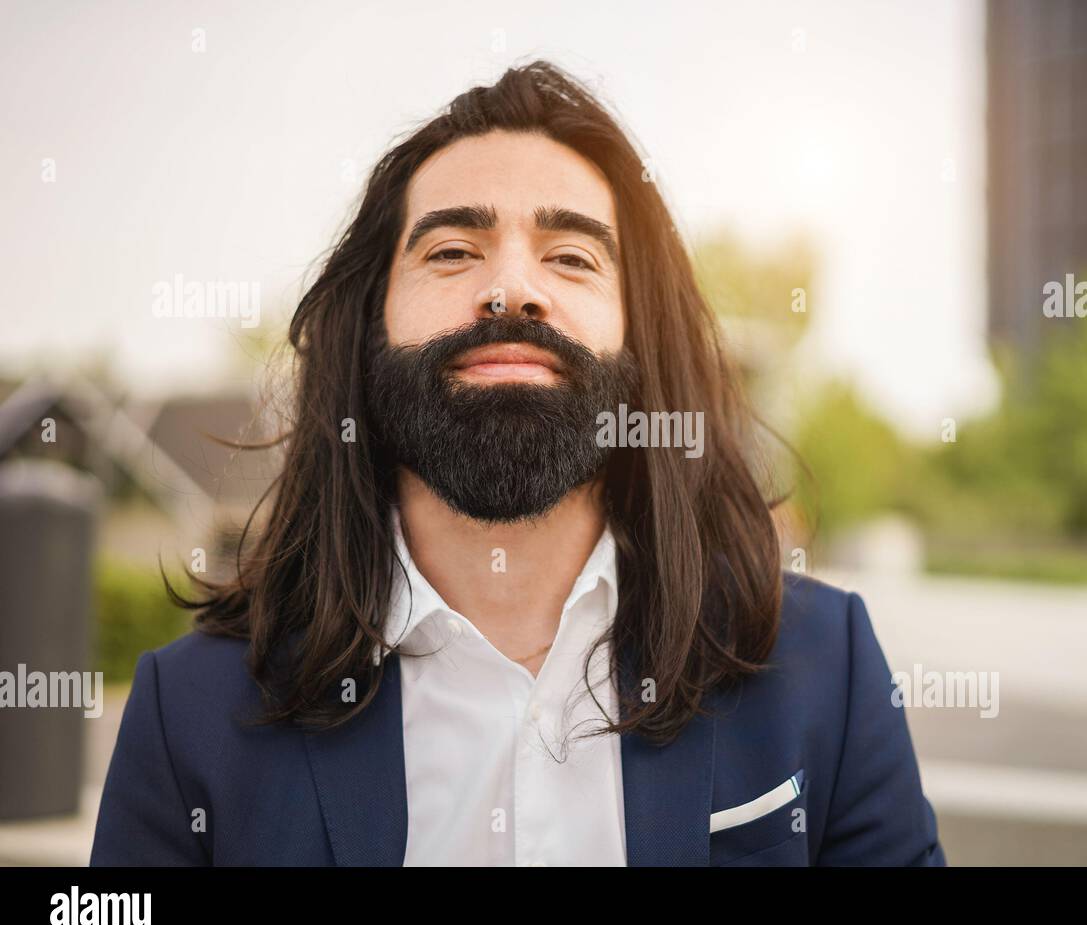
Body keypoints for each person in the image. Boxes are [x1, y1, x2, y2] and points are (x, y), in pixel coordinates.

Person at [90, 61, 945, 867]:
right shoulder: (188, 710)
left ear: (639, 338)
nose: (510, 289)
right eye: (453, 251)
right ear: (370, 326)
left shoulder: (825, 669)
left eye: (571, 257)